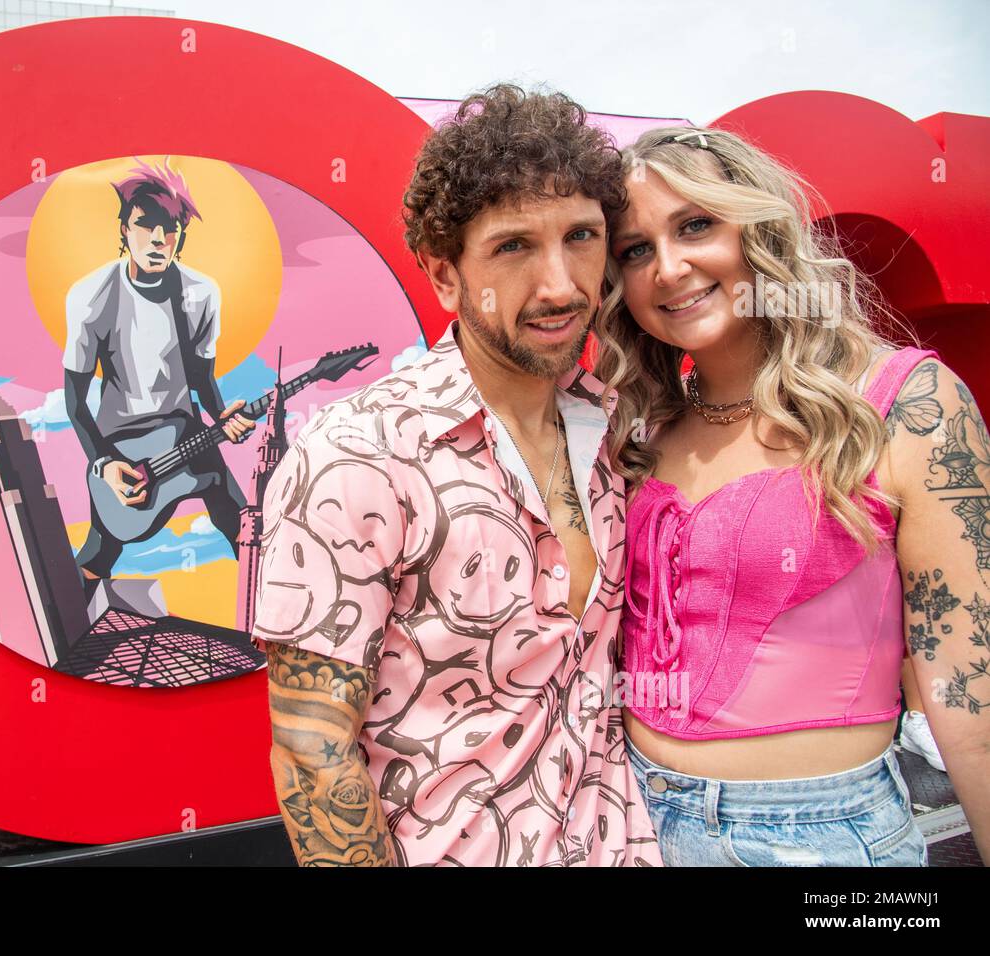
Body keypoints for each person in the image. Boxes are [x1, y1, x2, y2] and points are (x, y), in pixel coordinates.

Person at [251, 84, 662, 866]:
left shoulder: (615, 429)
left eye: (581, 237)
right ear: (445, 276)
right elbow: (311, 755)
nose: (560, 285)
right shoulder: (360, 452)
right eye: (513, 247)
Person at [594, 125, 990, 865]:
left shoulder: (904, 402)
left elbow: (973, 691)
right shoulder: (642, 428)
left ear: (761, 229)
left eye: (696, 225)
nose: (669, 269)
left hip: (819, 841)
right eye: (635, 251)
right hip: (631, 823)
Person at [62, 159, 255, 590]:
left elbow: (202, 378)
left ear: (180, 236)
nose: (157, 239)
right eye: (144, 224)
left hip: (186, 432)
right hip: (121, 448)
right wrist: (104, 463)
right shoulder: (92, 295)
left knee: (239, 522)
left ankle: (268, 618)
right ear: (124, 230)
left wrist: (223, 417)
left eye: (169, 228)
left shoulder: (200, 294)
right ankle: (67, 629)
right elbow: (73, 399)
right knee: (102, 548)